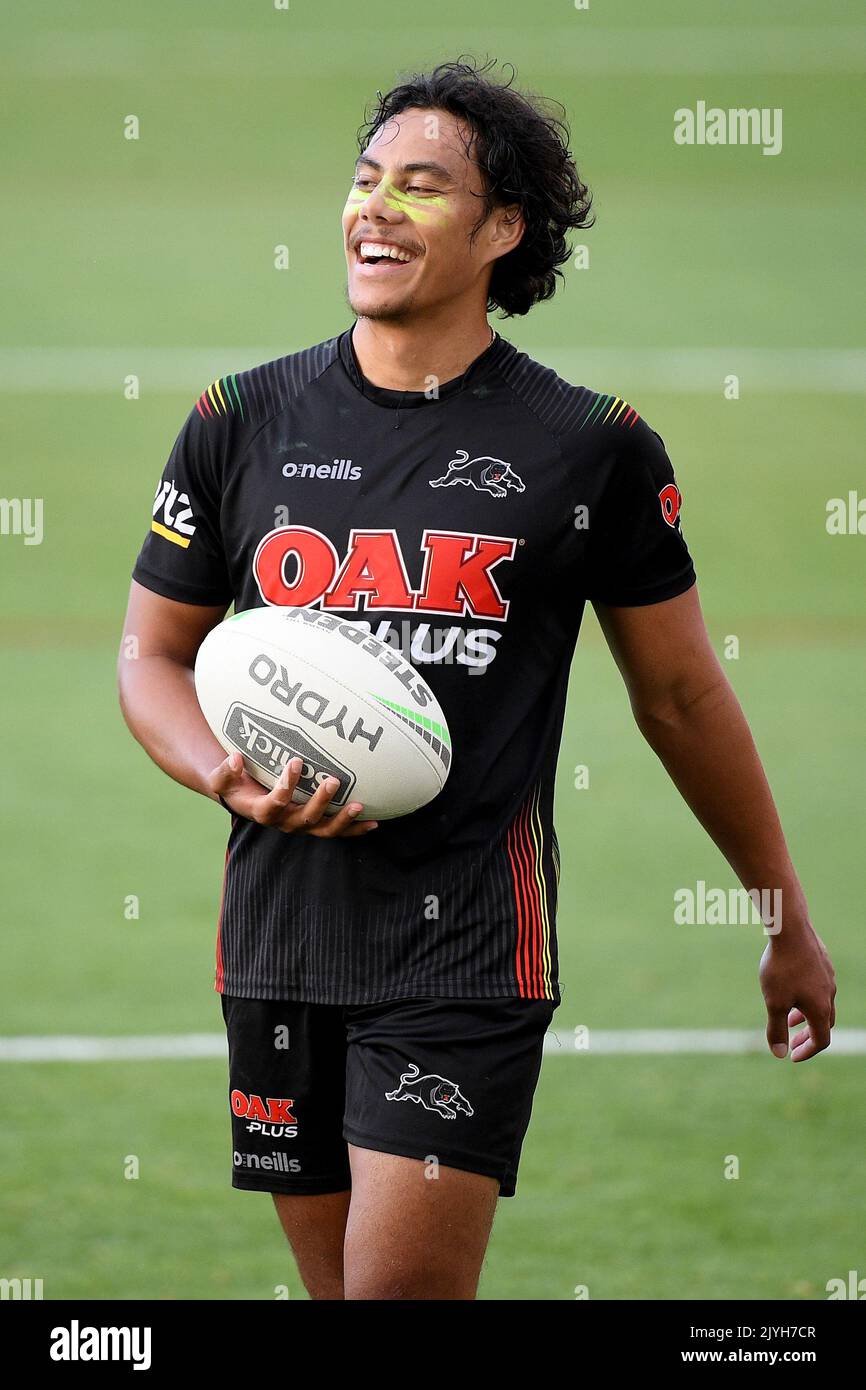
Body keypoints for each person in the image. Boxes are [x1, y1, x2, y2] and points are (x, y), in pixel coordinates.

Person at [118, 59, 836, 1301]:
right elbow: (153, 655)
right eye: (362, 180)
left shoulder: (588, 447)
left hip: (465, 950)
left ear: (504, 229)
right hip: (280, 940)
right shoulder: (240, 416)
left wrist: (780, 915)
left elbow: (679, 699)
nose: (374, 208)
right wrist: (218, 772)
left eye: (420, 186)